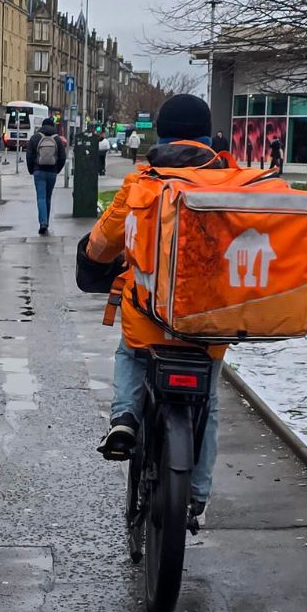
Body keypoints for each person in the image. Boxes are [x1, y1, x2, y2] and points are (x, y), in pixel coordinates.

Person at [81, 93, 227, 531]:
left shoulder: (142, 183)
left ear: (160, 134)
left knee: (130, 353)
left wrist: (97, 253)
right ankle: (197, 495)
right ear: (207, 136)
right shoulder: (231, 184)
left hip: (150, 320)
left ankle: (125, 418)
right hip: (207, 327)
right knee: (211, 402)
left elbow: (104, 243)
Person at [26, 117, 66, 235]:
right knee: (48, 197)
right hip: (52, 172)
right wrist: (56, 170)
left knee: (41, 197)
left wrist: (31, 170)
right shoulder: (57, 139)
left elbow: (29, 156)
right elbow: (62, 157)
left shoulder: (35, 138)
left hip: (39, 171)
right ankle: (46, 222)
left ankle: (43, 222)